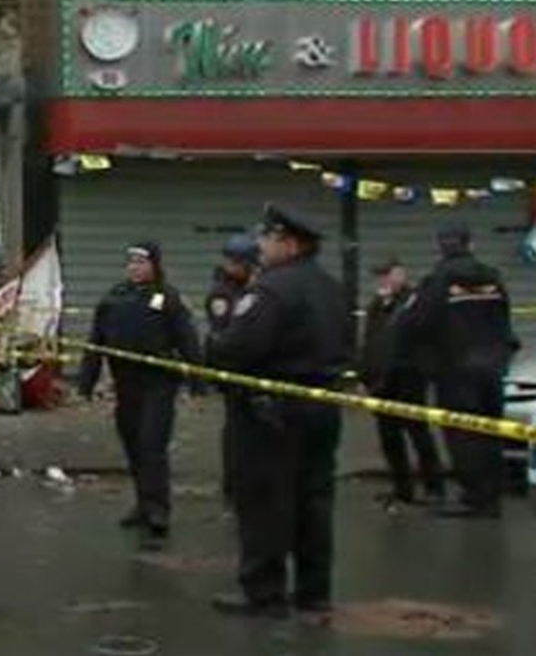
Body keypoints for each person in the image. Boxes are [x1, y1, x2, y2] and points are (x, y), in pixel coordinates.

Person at [208, 204, 347, 619]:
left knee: (266, 501)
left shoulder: (272, 289)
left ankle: (264, 593)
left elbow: (237, 347)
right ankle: (313, 591)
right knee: (314, 501)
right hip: (323, 408)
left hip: (271, 414)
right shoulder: (331, 287)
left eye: (267, 240)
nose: (261, 248)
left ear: (288, 243)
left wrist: (213, 347)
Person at [78, 241, 200, 550]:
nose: (135, 267)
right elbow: (96, 343)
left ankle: (159, 509)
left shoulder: (166, 297)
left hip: (158, 384)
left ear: (155, 265)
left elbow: (187, 338)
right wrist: (86, 382)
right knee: (133, 444)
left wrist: (198, 378)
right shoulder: (114, 298)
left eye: (141, 262)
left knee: (151, 444)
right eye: (131, 262)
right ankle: (143, 502)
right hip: (126, 384)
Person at [394, 224, 520, 519]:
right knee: (491, 430)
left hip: (455, 369)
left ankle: (473, 497)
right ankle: (491, 496)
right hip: (491, 369)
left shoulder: (436, 281)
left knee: (462, 433)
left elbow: (414, 324)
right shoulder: (494, 278)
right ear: (471, 244)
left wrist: (419, 362)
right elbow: (505, 321)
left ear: (441, 246)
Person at [361, 258, 444, 508]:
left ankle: (434, 488)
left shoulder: (414, 302)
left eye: (388, 274)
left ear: (401, 274)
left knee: (418, 432)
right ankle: (402, 488)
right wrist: (364, 375)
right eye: (380, 276)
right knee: (389, 437)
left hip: (408, 377)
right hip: (382, 381)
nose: (383, 280)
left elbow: (419, 335)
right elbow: (371, 342)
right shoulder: (377, 305)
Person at [206, 235, 258, 508]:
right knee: (237, 429)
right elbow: (227, 329)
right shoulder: (222, 293)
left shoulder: (251, 286)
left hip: (251, 369)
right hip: (232, 370)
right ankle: (233, 484)